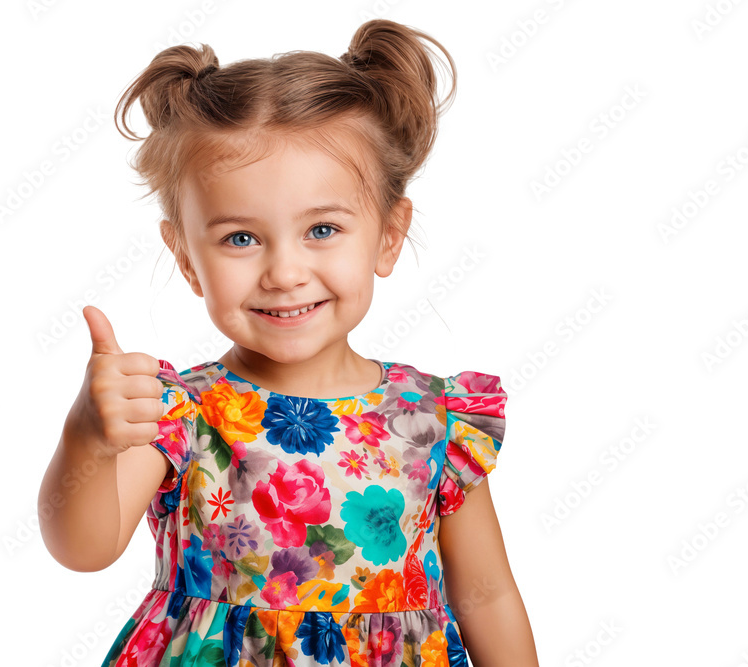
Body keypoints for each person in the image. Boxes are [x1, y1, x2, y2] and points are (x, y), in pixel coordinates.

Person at [39, 18, 538, 667]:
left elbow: (488, 597)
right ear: (186, 257)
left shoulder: (435, 420)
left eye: (323, 229)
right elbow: (85, 545)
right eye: (240, 239)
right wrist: (87, 436)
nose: (284, 271)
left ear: (388, 234)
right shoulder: (180, 411)